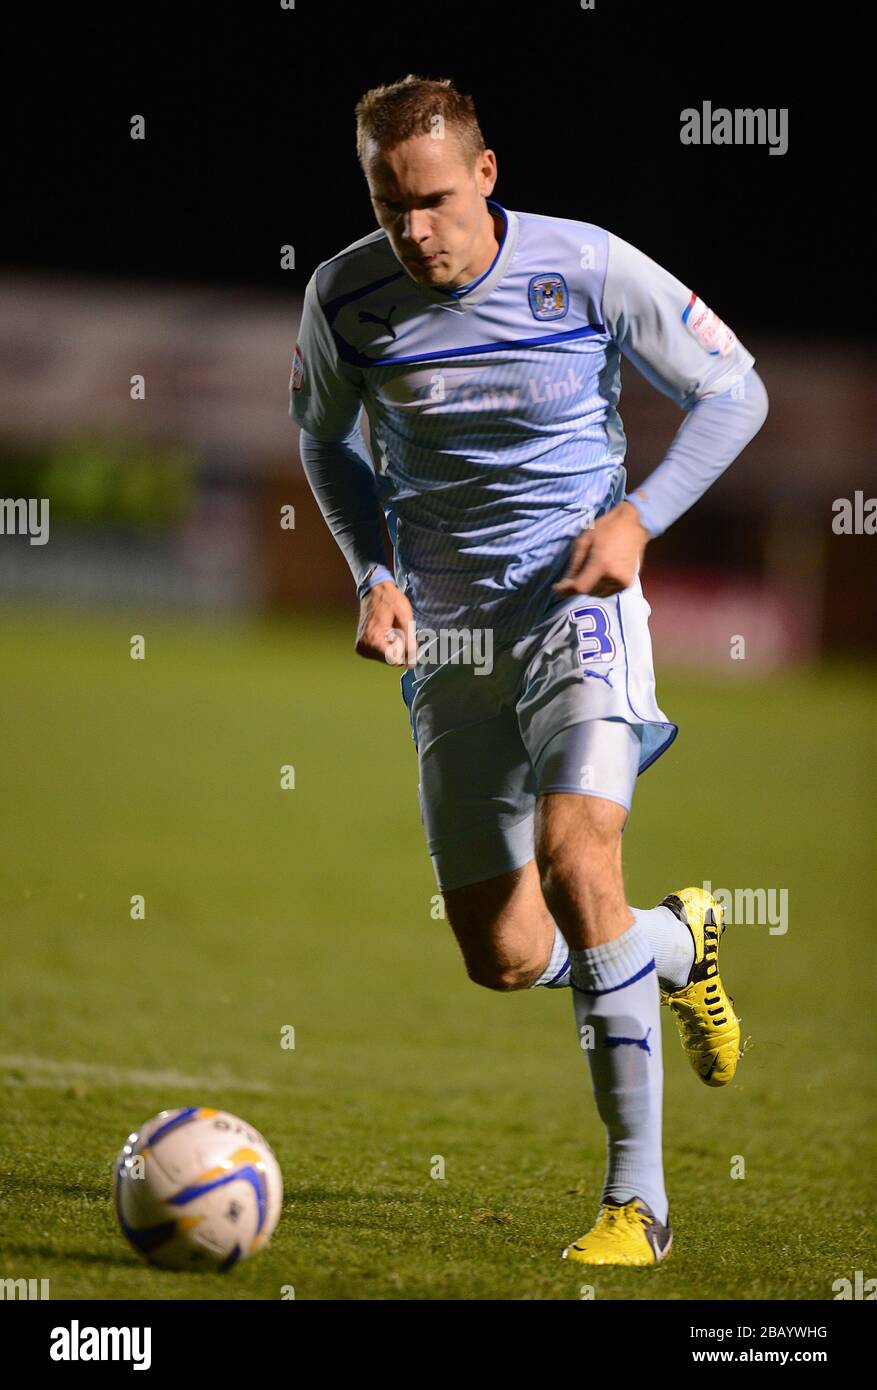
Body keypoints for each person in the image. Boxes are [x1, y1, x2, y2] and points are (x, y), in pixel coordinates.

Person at [290, 74, 768, 1266]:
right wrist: (373, 575)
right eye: (390, 203)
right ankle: (672, 943)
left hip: (578, 611)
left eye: (438, 200)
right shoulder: (345, 297)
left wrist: (638, 521)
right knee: (503, 956)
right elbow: (323, 437)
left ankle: (636, 1204)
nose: (416, 230)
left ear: (485, 176)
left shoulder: (588, 267)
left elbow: (734, 388)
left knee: (575, 855)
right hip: (447, 642)